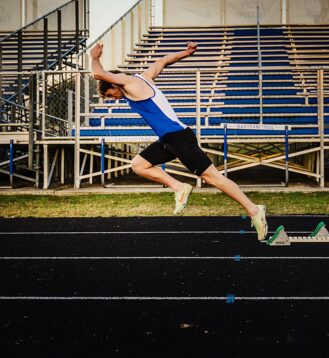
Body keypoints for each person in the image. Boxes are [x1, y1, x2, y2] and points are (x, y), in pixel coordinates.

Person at [90, 41, 268, 240]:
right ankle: (180, 187)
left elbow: (98, 74)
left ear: (114, 84)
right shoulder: (145, 77)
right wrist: (186, 52)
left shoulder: (128, 82)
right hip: (168, 140)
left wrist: (94, 58)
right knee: (139, 164)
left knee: (213, 177)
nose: (114, 98)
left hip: (179, 138)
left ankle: (254, 210)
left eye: (110, 94)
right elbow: (164, 61)